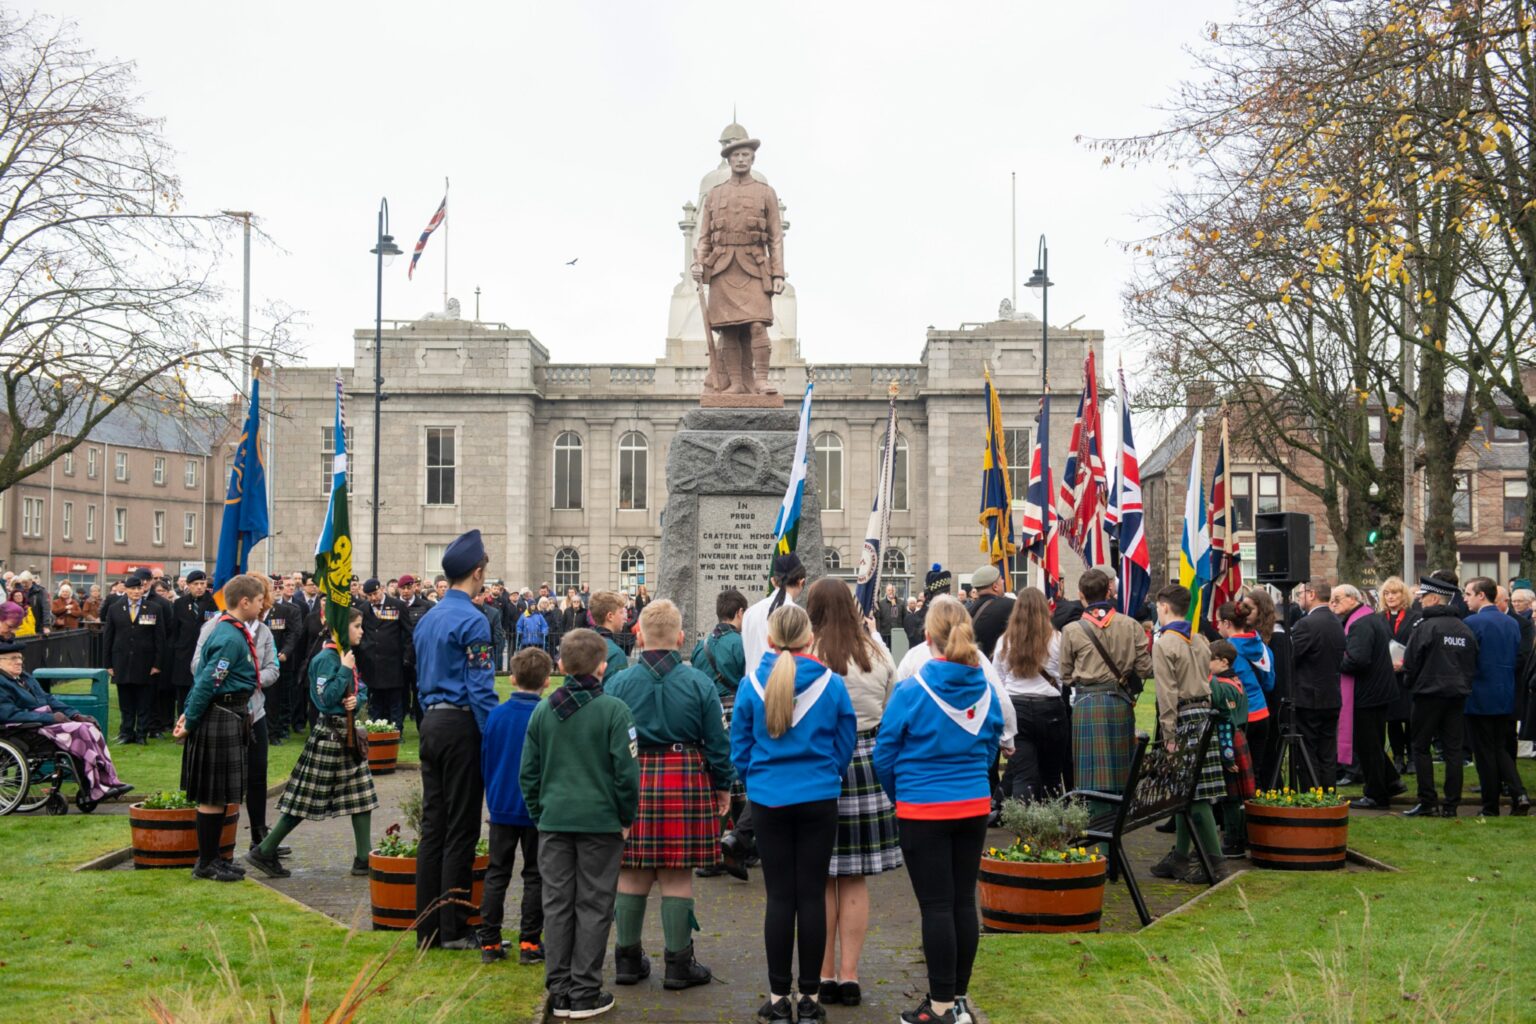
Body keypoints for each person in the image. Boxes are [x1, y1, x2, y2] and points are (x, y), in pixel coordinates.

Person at [873, 595, 1003, 1024]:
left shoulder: (912, 690)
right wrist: (972, 780)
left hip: (923, 808)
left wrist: (902, 794)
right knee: (963, 902)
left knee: (937, 907)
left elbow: (884, 754)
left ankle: (941, 1006)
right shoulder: (984, 688)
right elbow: (991, 744)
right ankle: (958, 1000)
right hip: (972, 805)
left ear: (927, 636)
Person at [732, 603, 855, 1024]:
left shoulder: (751, 683)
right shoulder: (832, 684)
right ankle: (811, 998)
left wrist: (758, 780)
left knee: (780, 898)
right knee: (812, 896)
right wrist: (827, 774)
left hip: (769, 799)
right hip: (818, 796)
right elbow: (845, 742)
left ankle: (779, 997)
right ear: (809, 639)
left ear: (769, 639)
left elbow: (740, 748)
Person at [605, 600, 735, 992]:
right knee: (677, 873)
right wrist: (723, 786)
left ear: (639, 637)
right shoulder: (699, 683)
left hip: (632, 777)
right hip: (685, 776)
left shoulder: (618, 684)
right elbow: (718, 743)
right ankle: (678, 965)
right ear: (680, 638)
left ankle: (627, 960)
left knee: (631, 870)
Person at [521, 628, 641, 1021]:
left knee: (557, 904)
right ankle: (585, 991)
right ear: (603, 667)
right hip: (601, 824)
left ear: (559, 665)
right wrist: (625, 817)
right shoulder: (614, 711)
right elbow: (627, 774)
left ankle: (559, 990)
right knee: (594, 904)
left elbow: (528, 774)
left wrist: (541, 815)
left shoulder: (542, 712)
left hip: (555, 821)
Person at [800, 577, 900, 1008]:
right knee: (854, 876)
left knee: (822, 875)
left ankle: (823, 975)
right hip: (867, 761)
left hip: (820, 760)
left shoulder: (809, 653)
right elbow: (891, 706)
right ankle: (850, 975)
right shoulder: (876, 652)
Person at [412, 531, 500, 950]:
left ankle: (427, 928)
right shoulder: (474, 620)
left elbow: (419, 676)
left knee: (434, 827)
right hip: (461, 724)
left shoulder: (428, 618)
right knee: (461, 828)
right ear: (477, 572)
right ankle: (454, 928)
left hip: (431, 721)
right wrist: (493, 733)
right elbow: (480, 689)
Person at [246, 607, 378, 876]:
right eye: (356, 626)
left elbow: (360, 690)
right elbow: (326, 699)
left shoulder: (345, 655)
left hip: (348, 735)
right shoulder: (325, 659)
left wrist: (356, 700)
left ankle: (363, 858)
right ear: (341, 630)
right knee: (302, 802)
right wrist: (344, 670)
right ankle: (264, 851)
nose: (361, 631)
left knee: (362, 797)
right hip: (330, 737)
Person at [174, 574, 264, 882]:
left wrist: (188, 713)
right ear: (245, 602)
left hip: (229, 713)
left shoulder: (232, 630)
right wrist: (190, 719)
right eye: (259, 600)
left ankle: (215, 858)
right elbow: (208, 681)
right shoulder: (229, 637)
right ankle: (207, 862)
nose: (262, 606)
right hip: (220, 714)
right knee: (212, 795)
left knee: (222, 794)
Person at [1059, 568, 1152, 822]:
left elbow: (1065, 674)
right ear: (1109, 592)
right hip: (1120, 701)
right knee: (1120, 770)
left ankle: (1096, 825)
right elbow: (1145, 668)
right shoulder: (1131, 625)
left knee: (1090, 773)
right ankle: (1117, 822)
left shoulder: (1072, 630)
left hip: (1087, 704)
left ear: (1081, 594)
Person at [1148, 585, 1226, 884]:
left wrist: (1168, 734)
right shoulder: (1199, 639)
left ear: (1165, 607)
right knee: (1184, 791)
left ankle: (1216, 864)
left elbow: (1166, 693)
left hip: (1183, 718)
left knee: (1197, 795)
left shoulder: (1164, 643)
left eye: (1158, 607)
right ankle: (1180, 856)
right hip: (1203, 713)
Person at [479, 646, 550, 966]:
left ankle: (490, 941)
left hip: (502, 804)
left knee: (497, 872)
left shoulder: (496, 715)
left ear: (512, 678)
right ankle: (530, 941)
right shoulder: (546, 716)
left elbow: (486, 758)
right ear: (547, 681)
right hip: (535, 807)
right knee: (535, 874)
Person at [0, 639, 133, 803]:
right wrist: (49, 718)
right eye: (13, 658)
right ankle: (93, 787)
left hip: (41, 725)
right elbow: (8, 714)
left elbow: (48, 699)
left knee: (89, 727)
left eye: (20, 657)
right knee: (80, 731)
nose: (19, 661)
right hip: (22, 730)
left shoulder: (25, 678)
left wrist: (75, 714)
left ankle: (108, 781)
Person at [1400, 575, 1475, 817]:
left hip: (1428, 695)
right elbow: (1472, 662)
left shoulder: (1425, 627)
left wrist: (1410, 684)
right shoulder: (1464, 628)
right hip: (1457, 695)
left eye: (1423, 597)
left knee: (1421, 747)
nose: (1420, 601)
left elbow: (1411, 662)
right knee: (1453, 750)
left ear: (1433, 599)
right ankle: (1451, 806)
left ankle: (1427, 802)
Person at [1461, 577, 1531, 815]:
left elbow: (1468, 659)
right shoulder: (1511, 623)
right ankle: (1518, 793)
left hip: (1479, 694)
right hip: (1505, 692)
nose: (1465, 599)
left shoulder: (1472, 622)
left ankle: (1491, 805)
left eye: (1468, 594)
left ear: (1481, 595)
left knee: (1484, 752)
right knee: (1499, 748)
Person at [992, 588, 1069, 801]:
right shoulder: (1057, 639)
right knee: (1052, 776)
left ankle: (1021, 821)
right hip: (1050, 707)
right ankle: (1052, 818)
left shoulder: (1005, 641)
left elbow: (997, 680)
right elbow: (1064, 675)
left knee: (1023, 775)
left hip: (1017, 708)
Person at [1332, 584, 1399, 809]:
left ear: (1353, 599)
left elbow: (1357, 660)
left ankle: (1376, 795)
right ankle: (1391, 781)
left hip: (1367, 694)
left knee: (1368, 746)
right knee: (1373, 744)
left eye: (1338, 598)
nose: (1333, 603)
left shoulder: (1360, 624)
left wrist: (1333, 662)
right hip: (1376, 691)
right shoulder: (1368, 618)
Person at [1288, 579, 1345, 789]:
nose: (1298, 598)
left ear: (1312, 594)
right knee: (1327, 753)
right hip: (1331, 696)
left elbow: (1291, 658)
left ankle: (1311, 795)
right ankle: (1328, 795)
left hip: (1309, 698)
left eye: (1300, 593)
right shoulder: (1336, 621)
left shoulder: (1306, 624)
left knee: (1307, 752)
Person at [1214, 602, 1276, 795]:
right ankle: (1257, 808)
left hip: (1241, 716)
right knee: (1255, 771)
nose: (1217, 626)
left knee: (1237, 773)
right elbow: (1269, 683)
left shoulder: (1227, 650)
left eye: (1218, 622)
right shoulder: (1261, 646)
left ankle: (1241, 811)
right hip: (1262, 712)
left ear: (1227, 623)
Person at [102, 575, 167, 745]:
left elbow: (160, 638)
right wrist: (108, 664)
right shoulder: (115, 609)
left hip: (145, 662)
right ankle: (126, 733)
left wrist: (157, 664)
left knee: (144, 701)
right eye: (133, 589)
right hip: (121, 661)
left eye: (139, 588)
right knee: (125, 701)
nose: (136, 591)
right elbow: (108, 637)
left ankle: (141, 734)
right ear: (126, 590)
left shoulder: (154, 608)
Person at [1206, 639, 1254, 856]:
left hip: (1230, 742)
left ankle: (1233, 840)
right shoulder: (1236, 681)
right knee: (1238, 794)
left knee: (1231, 796)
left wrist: (1227, 756)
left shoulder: (1222, 686)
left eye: (1210, 659)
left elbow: (1225, 721)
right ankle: (1239, 837)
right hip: (1239, 737)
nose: (1207, 663)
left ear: (1224, 661)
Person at [743, 555, 810, 675]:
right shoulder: (800, 615)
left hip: (753, 683)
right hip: (786, 683)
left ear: (773, 581)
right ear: (801, 582)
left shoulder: (750, 612)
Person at [359, 578, 410, 733]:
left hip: (393, 663)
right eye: (369, 595)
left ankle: (396, 731)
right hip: (372, 663)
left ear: (382, 589)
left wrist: (407, 657)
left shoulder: (397, 605)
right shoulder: (363, 609)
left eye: (375, 593)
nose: (373, 598)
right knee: (375, 702)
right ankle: (375, 731)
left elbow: (408, 633)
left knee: (395, 701)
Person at [1378, 577, 1418, 775]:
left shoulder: (1415, 617)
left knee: (1410, 719)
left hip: (1408, 676)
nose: (1390, 597)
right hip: (1388, 676)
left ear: (1404, 595)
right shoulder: (1379, 618)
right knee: (1392, 719)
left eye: (1394, 593)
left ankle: (1412, 757)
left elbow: (1418, 644)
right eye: (1387, 593)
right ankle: (1398, 757)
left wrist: (1405, 664)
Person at [170, 572, 218, 717]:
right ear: (188, 586)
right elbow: (174, 631)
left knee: (204, 692)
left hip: (206, 655)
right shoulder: (180, 604)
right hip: (184, 655)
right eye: (195, 584)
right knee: (183, 695)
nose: (199, 587)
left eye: (202, 584)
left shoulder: (215, 603)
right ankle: (182, 723)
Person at [264, 579, 304, 745]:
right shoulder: (256, 610)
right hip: (256, 661)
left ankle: (273, 733)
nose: (277, 590)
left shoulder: (284, 610)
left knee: (275, 699)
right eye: (273, 588)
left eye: (280, 587)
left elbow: (293, 633)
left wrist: (286, 652)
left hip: (277, 661)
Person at [966, 565, 1014, 659]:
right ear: (995, 587)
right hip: (996, 665)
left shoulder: (967, 611)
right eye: (1001, 579)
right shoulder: (1009, 605)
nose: (1003, 581)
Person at [588, 590, 632, 680]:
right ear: (610, 616)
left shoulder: (582, 645)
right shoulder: (616, 654)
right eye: (621, 612)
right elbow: (617, 688)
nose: (625, 617)